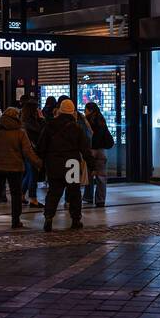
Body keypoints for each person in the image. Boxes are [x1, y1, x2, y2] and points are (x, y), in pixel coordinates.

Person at [37, 98, 94, 232]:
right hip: (72, 163)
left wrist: (42, 161)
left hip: (54, 163)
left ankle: (49, 217)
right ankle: (75, 219)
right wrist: (92, 166)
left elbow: (41, 146)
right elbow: (85, 149)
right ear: (73, 112)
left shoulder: (49, 125)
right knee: (74, 193)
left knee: (54, 192)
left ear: (60, 110)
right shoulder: (76, 127)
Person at [0, 107, 42, 228]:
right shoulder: (20, 132)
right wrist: (39, 163)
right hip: (15, 168)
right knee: (16, 194)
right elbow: (28, 152)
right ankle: (15, 220)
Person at [83, 101, 115, 208]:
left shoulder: (86, 121)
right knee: (101, 177)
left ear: (90, 110)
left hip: (90, 151)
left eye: (86, 109)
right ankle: (100, 200)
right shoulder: (102, 120)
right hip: (101, 152)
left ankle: (88, 197)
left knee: (89, 175)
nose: (84, 111)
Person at [21, 98, 45, 207]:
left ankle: (20, 195)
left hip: (26, 151)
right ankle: (33, 198)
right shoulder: (30, 122)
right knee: (33, 174)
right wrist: (42, 119)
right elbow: (41, 132)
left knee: (29, 173)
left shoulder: (24, 120)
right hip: (32, 151)